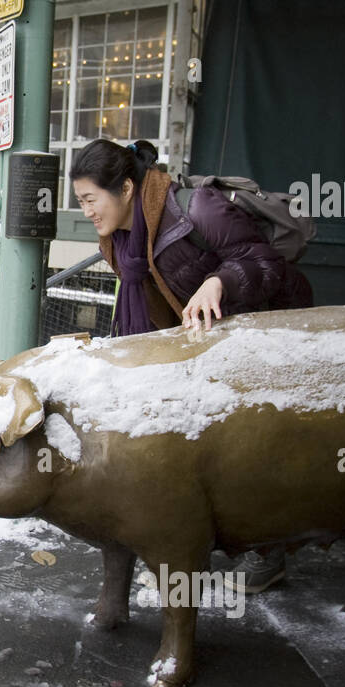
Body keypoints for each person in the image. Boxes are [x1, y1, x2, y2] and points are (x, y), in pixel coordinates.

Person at [69, 138, 314, 592]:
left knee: (250, 447)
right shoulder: (119, 240)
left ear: (124, 189)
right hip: (205, 339)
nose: (85, 211)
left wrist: (219, 281)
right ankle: (197, 536)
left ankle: (269, 552)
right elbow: (144, 297)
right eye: (80, 201)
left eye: (89, 199)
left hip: (263, 330)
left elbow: (264, 262)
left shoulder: (197, 208)